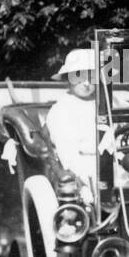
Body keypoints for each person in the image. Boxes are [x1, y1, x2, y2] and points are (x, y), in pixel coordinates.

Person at [44, 47, 100, 195]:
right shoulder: (62, 110)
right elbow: (69, 156)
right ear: (68, 78)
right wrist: (82, 180)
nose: (87, 83)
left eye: (91, 76)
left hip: (119, 162)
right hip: (85, 168)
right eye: (79, 77)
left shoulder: (108, 101)